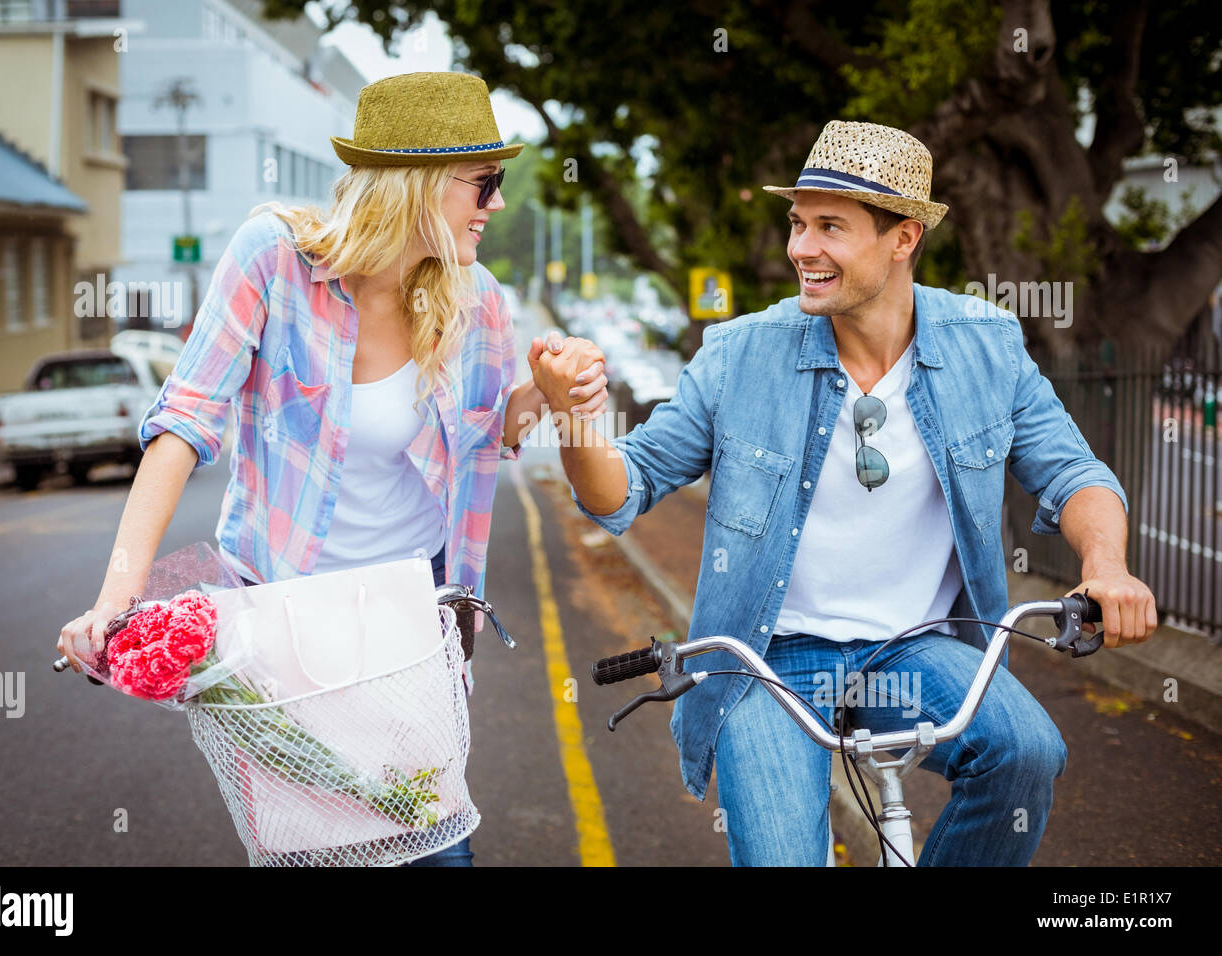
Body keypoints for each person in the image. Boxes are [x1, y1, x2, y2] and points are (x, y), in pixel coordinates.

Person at [532, 120, 1158, 866]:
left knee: (1025, 753)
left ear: (903, 239)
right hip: (765, 659)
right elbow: (621, 492)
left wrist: (1108, 567)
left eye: (830, 226)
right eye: (798, 223)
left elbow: (1074, 474)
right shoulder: (740, 354)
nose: (801, 248)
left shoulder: (984, 345)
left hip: (919, 648)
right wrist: (575, 420)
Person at [56, 71, 610, 866]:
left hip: (411, 625)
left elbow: (485, 440)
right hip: (283, 628)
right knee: (314, 850)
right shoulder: (273, 262)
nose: (495, 203)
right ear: (417, 185)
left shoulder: (476, 300)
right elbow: (182, 424)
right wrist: (117, 598)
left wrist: (543, 394)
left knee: (432, 842)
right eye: (484, 183)